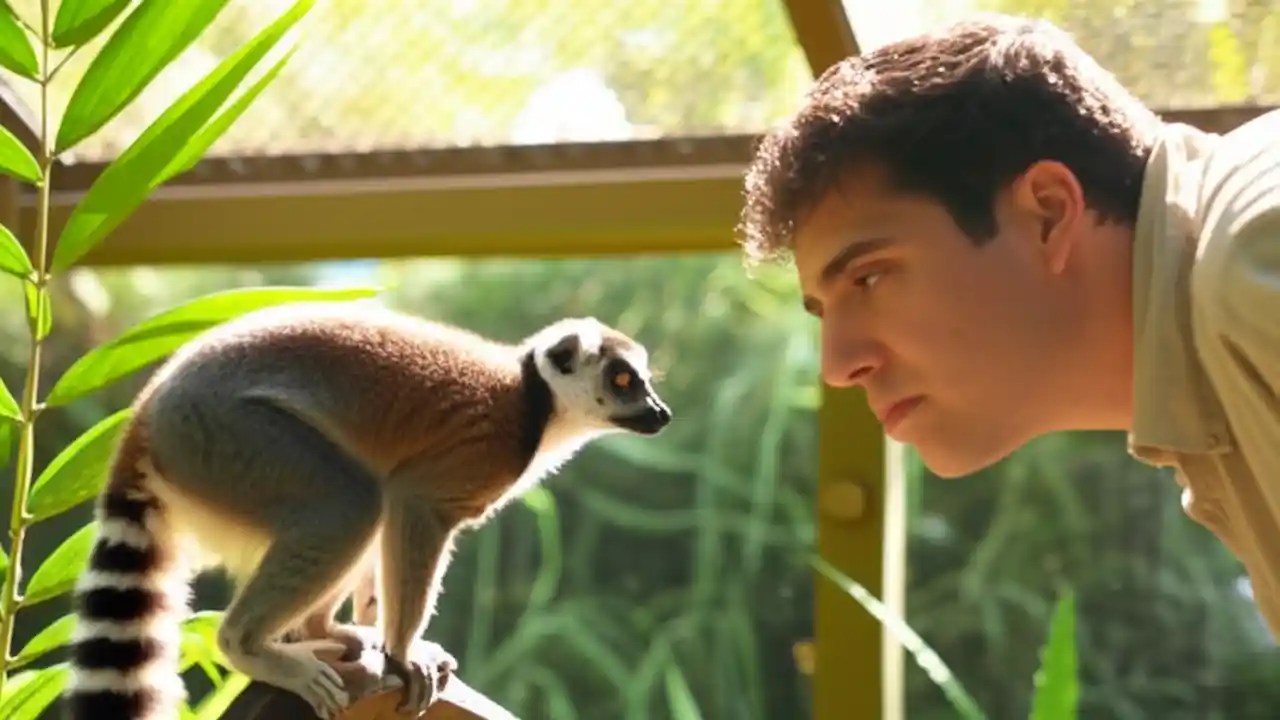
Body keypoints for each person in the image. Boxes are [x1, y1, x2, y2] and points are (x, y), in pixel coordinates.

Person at [736, 13, 1280, 635]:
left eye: (869, 278)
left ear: (1048, 214)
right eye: (823, 311)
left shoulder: (1253, 260)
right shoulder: (1215, 351)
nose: (838, 366)